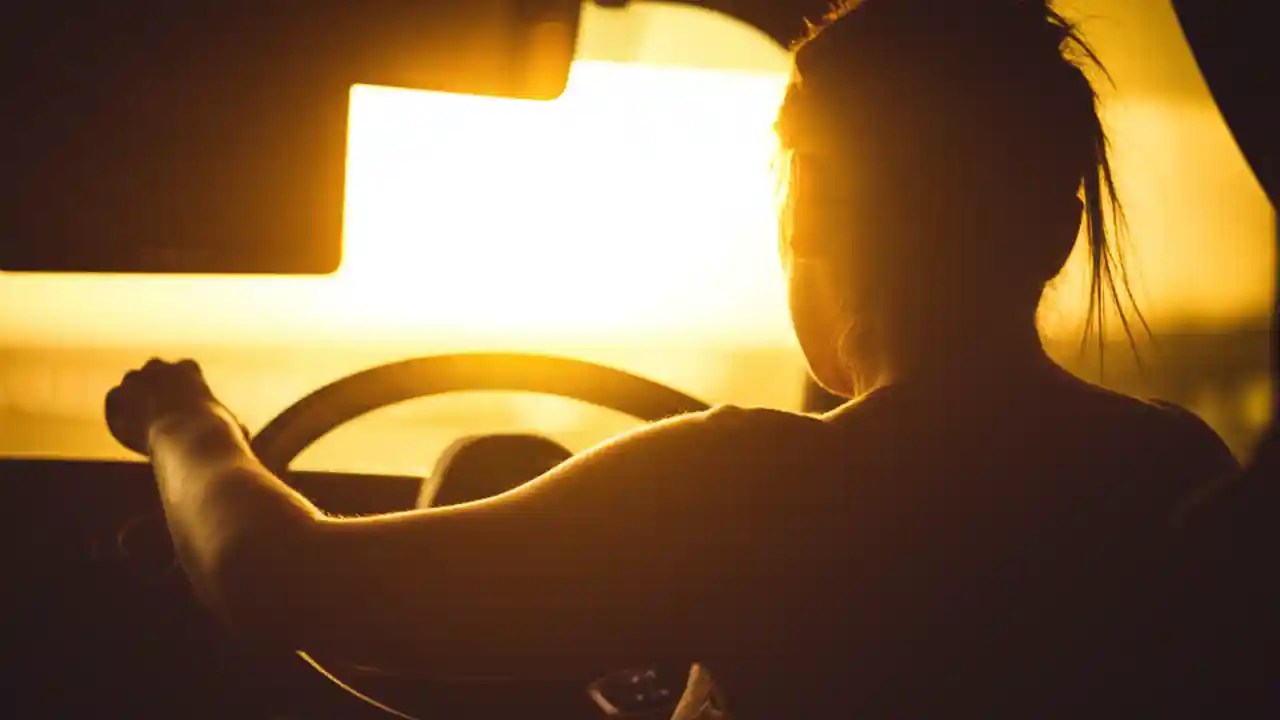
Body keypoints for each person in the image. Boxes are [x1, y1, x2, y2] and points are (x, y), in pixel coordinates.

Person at [105, 1, 1241, 716]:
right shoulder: (1170, 472)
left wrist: (183, 424)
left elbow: (271, 579)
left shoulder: (752, 492)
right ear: (1051, 226)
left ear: (806, 217)